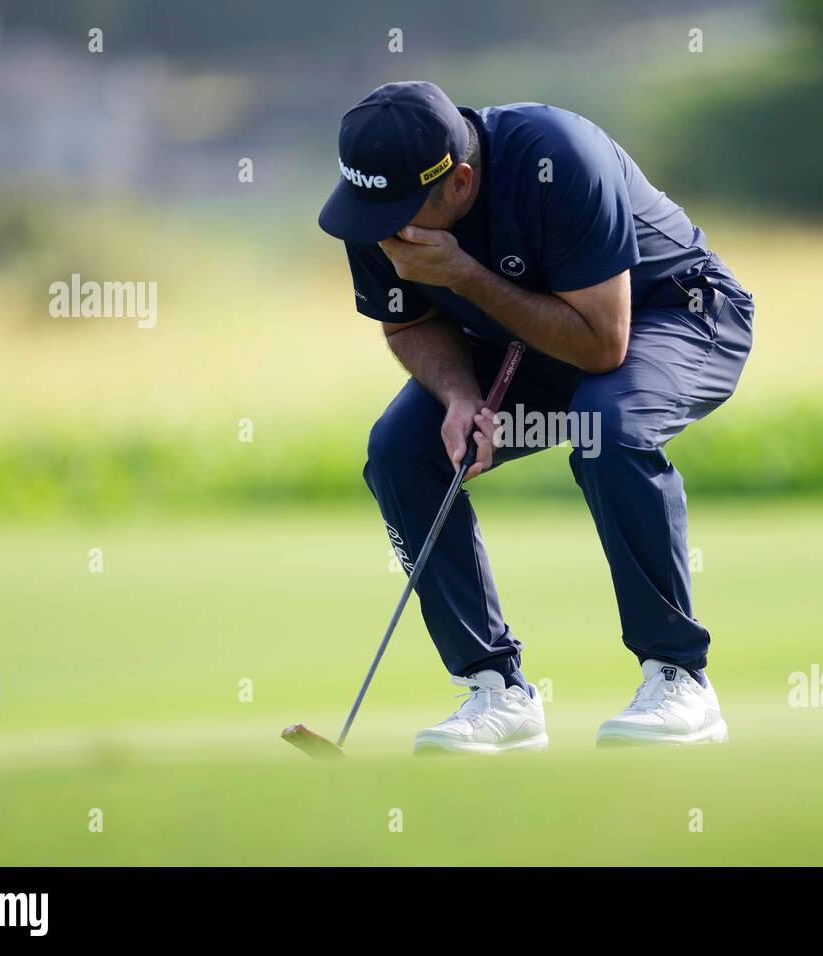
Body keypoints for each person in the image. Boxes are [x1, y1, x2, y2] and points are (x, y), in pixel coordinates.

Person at [318, 81, 753, 753]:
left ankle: (679, 678)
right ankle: (495, 690)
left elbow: (603, 345)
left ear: (460, 181)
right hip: (528, 341)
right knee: (400, 451)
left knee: (607, 426)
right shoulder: (381, 204)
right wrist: (461, 396)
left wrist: (463, 274)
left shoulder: (559, 157)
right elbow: (409, 324)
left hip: (680, 315)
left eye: (400, 212)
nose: (382, 231)